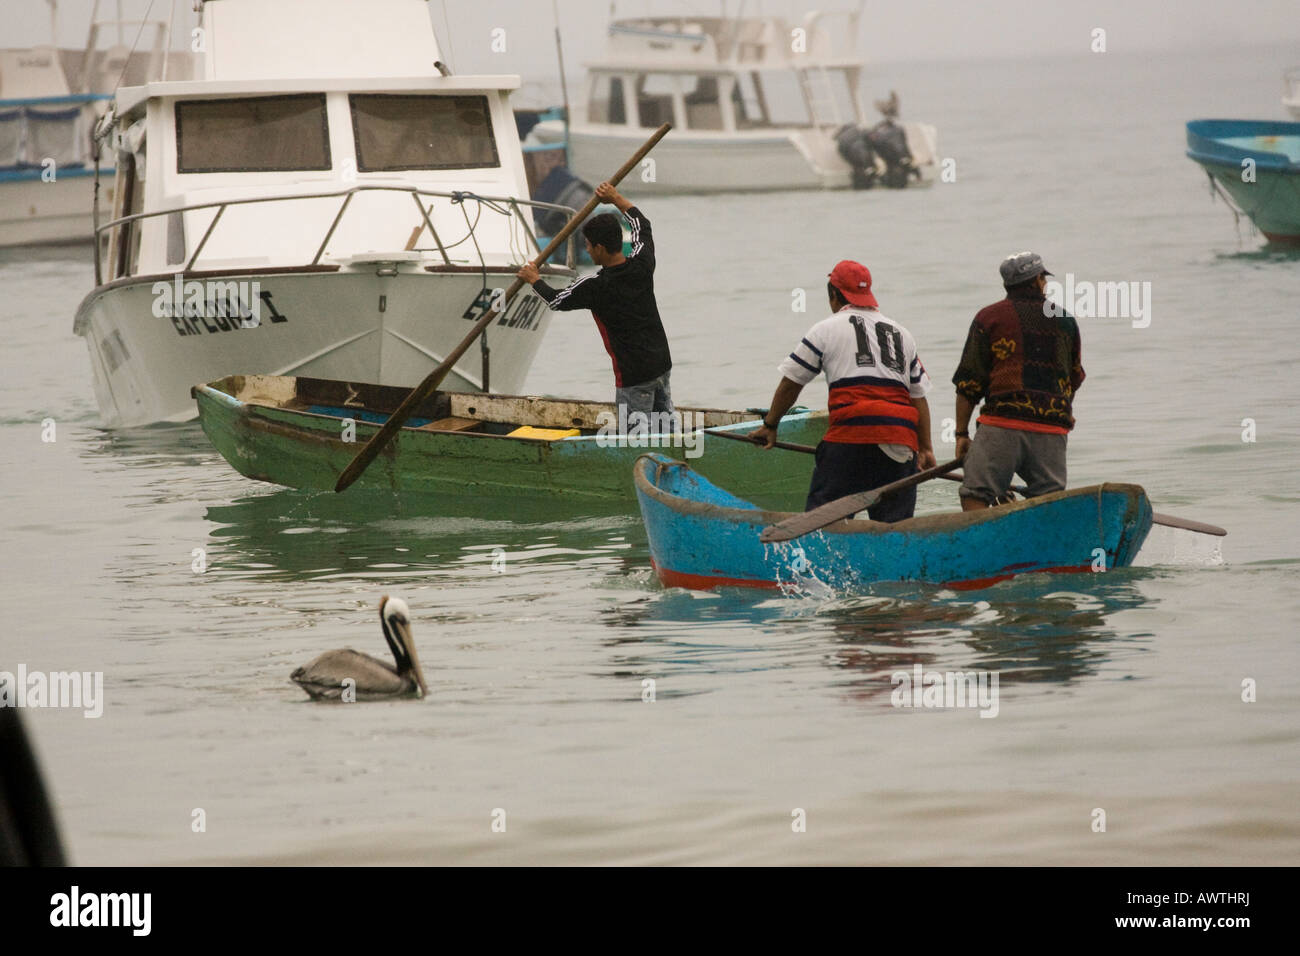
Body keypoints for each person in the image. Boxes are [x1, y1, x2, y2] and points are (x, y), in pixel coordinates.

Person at [750, 261, 936, 520]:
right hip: (901, 439)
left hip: (851, 436)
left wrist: (771, 425)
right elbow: (918, 398)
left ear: (833, 295)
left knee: (823, 520)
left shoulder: (825, 329)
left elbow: (792, 382)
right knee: (894, 527)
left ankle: (826, 555)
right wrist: (926, 448)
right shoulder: (902, 334)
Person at [517, 183, 673, 428]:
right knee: (666, 431)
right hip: (661, 364)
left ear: (600, 248)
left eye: (588, 246)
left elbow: (556, 301)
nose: (587, 251)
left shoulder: (596, 286)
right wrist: (615, 197)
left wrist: (534, 280)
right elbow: (642, 224)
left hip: (633, 377)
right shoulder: (643, 262)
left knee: (635, 440)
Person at [952, 251, 1085, 511]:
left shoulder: (988, 318)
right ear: (1037, 280)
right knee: (1048, 501)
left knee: (975, 493)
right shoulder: (1065, 321)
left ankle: (982, 546)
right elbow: (1073, 377)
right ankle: (1041, 547)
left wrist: (961, 434)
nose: (1045, 284)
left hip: (1002, 424)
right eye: (1044, 279)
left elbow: (969, 383)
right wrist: (1061, 411)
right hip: (1051, 429)